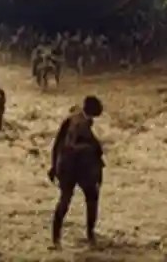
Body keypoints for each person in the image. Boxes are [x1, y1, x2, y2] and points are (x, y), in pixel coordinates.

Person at [49, 95, 104, 248]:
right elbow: (85, 149)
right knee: (90, 198)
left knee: (65, 200)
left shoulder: (73, 117)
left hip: (66, 166)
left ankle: (56, 237)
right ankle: (90, 235)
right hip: (78, 168)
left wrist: (54, 165)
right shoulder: (81, 125)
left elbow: (57, 143)